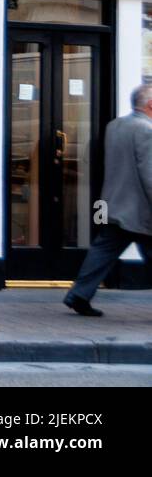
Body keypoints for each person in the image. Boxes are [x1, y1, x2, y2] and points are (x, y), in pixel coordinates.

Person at [64, 82, 152, 316]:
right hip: (140, 210)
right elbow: (149, 173)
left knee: (101, 252)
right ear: (150, 104)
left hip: (113, 203)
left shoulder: (115, 126)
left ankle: (78, 295)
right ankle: (78, 295)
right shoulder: (147, 130)